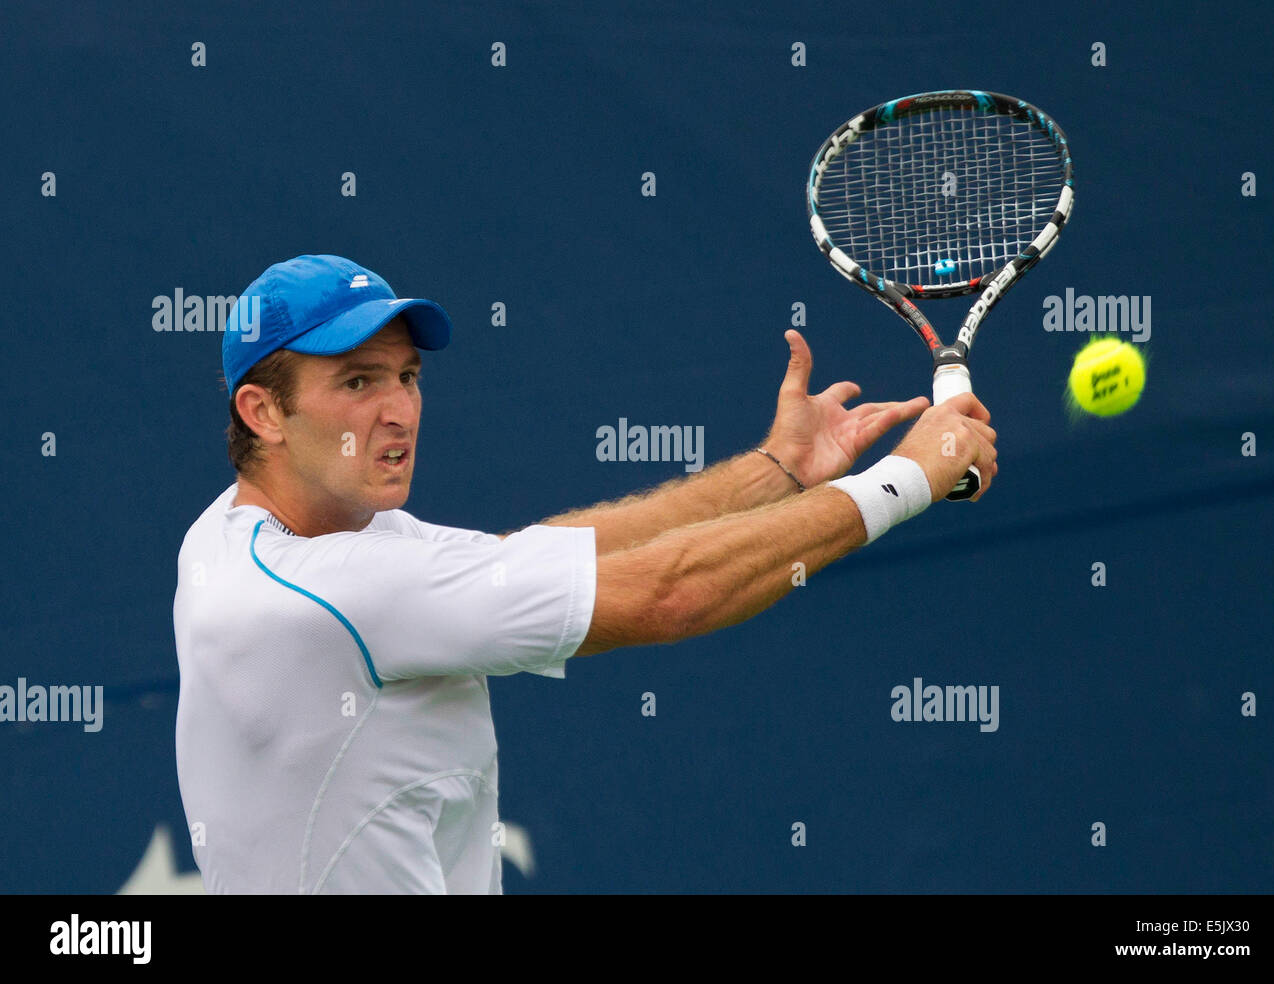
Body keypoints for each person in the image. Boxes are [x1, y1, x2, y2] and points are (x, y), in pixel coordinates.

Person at [173, 253, 997, 894]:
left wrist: (776, 470)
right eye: (357, 381)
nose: (399, 410)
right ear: (263, 412)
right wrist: (908, 478)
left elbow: (529, 558)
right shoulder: (337, 594)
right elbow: (669, 592)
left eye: (407, 377)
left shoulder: (233, 538)